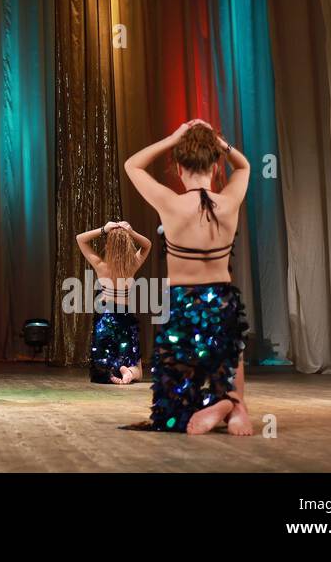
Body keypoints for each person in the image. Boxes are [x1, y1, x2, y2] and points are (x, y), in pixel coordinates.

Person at [122, 119, 253, 435]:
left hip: (182, 302)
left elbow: (133, 166)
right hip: (220, 299)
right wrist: (219, 142)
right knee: (229, 353)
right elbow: (245, 168)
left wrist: (172, 138)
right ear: (216, 167)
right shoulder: (229, 202)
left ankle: (206, 407)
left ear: (179, 168)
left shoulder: (171, 204)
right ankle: (233, 404)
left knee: (174, 395)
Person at [75, 220, 151, 384]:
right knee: (136, 366)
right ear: (127, 245)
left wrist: (104, 229)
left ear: (109, 245)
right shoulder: (131, 266)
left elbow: (80, 239)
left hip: (106, 318)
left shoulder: (100, 266)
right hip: (125, 318)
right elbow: (147, 245)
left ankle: (113, 369)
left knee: (101, 364)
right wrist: (132, 232)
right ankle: (127, 370)